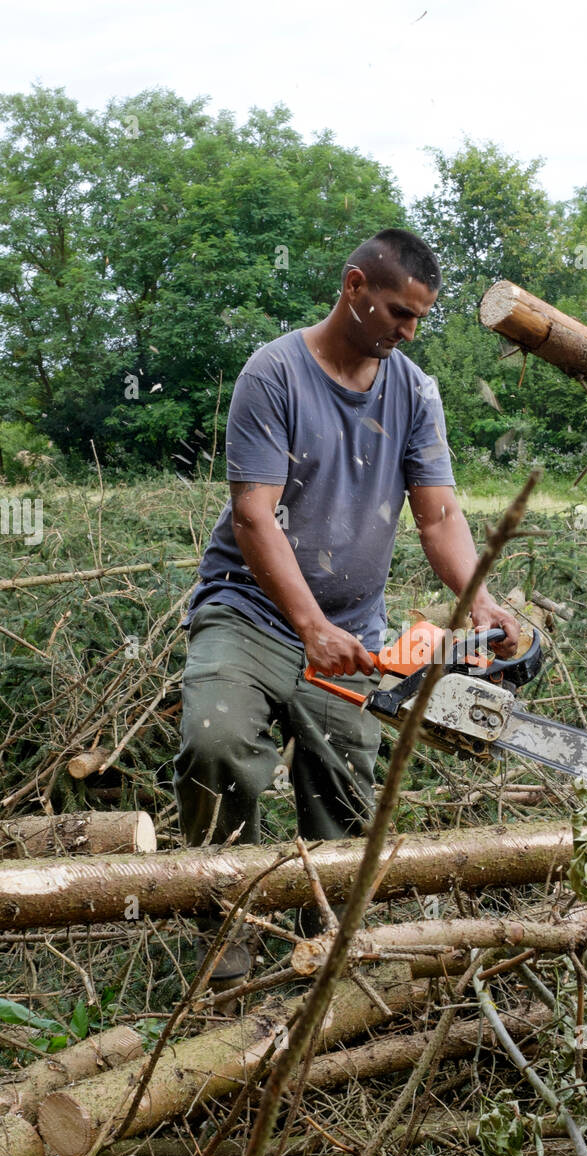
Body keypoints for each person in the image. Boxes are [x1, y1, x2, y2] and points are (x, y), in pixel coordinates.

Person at [172, 227, 520, 985]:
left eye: (420, 318)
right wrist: (309, 626)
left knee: (344, 789)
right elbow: (253, 517)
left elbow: (436, 516)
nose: (408, 330)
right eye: (398, 311)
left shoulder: (414, 391)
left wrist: (481, 600)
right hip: (252, 609)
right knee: (216, 740)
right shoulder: (274, 375)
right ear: (354, 286)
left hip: (356, 625)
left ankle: (323, 954)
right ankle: (225, 942)